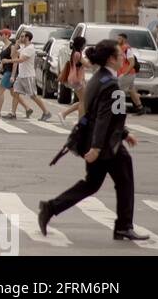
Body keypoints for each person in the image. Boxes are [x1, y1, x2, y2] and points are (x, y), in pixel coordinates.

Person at [38, 39, 149, 242]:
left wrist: (124, 134)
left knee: (92, 184)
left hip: (100, 141)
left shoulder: (99, 78)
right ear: (111, 59)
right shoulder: (110, 84)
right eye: (120, 55)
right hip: (106, 144)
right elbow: (103, 118)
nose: (123, 58)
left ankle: (51, 207)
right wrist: (97, 147)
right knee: (124, 181)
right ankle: (124, 226)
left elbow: (103, 114)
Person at [8, 32, 52, 122]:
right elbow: (12, 55)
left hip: (28, 76)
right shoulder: (23, 47)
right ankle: (13, 113)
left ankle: (46, 112)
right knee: (15, 93)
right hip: (21, 75)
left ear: (27, 38)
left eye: (22, 36)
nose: (20, 38)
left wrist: (8, 61)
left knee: (33, 95)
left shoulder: (30, 48)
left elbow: (21, 60)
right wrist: (16, 44)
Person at [0, 30, 31, 119]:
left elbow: (15, 61)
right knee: (13, 93)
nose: (0, 36)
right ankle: (28, 108)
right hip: (6, 71)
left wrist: (12, 75)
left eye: (1, 34)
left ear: (7, 35)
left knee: (0, 91)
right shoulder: (4, 47)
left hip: (10, 72)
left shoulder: (12, 46)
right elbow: (2, 62)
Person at [60, 36, 88, 126]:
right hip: (77, 80)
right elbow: (87, 64)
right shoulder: (77, 54)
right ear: (81, 44)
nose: (85, 45)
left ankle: (64, 114)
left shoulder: (75, 53)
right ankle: (80, 121)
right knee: (83, 101)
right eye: (84, 44)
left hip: (76, 79)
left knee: (83, 101)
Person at [117, 33, 145, 115]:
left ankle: (120, 111)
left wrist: (124, 74)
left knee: (119, 91)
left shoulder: (127, 49)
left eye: (120, 38)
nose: (118, 40)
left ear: (124, 40)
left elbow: (132, 63)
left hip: (127, 74)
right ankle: (140, 108)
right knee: (132, 91)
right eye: (117, 38)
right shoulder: (120, 48)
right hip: (128, 74)